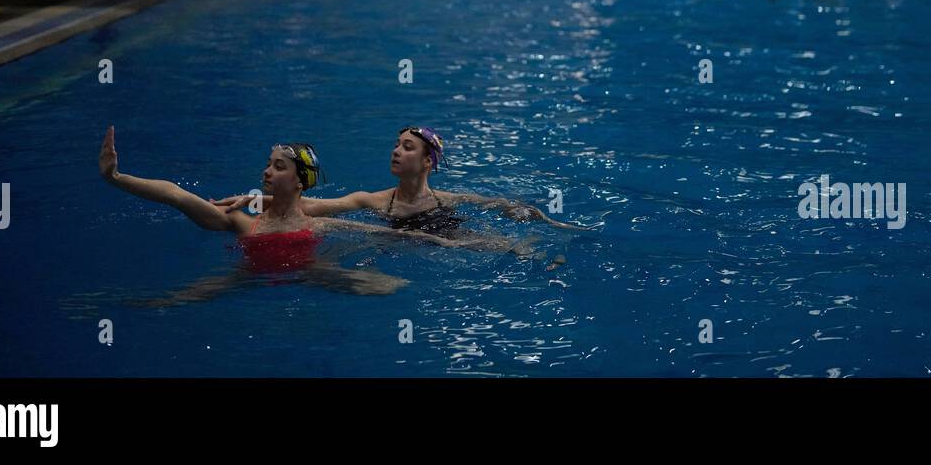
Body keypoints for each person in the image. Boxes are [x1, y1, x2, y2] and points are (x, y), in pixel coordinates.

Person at [97, 126, 410, 299]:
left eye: (278, 167)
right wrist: (116, 177)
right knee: (171, 301)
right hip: (246, 278)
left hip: (312, 274)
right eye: (267, 165)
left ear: (300, 181)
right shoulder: (242, 222)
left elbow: (387, 234)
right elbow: (176, 195)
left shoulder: (319, 223)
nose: (267, 172)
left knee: (386, 288)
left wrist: (447, 242)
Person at [216, 126, 587, 242]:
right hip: (411, 247)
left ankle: (543, 252)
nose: (395, 152)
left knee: (503, 246)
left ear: (427, 162)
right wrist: (252, 200)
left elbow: (504, 204)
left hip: (453, 240)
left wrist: (548, 221)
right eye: (396, 145)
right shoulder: (372, 201)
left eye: (406, 148)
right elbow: (306, 206)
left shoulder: (450, 199)